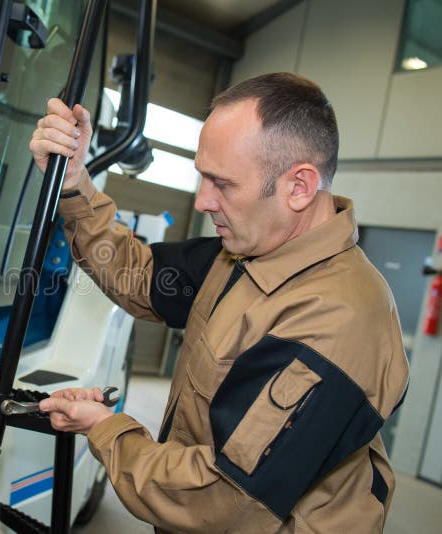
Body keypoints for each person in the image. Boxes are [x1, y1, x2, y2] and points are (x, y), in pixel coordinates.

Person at [29, 72, 409, 533]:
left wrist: (105, 428)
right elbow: (141, 276)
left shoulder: (337, 318)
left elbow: (222, 498)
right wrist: (74, 183)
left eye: (222, 183)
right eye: (202, 177)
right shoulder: (247, 253)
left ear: (300, 186)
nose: (204, 201)